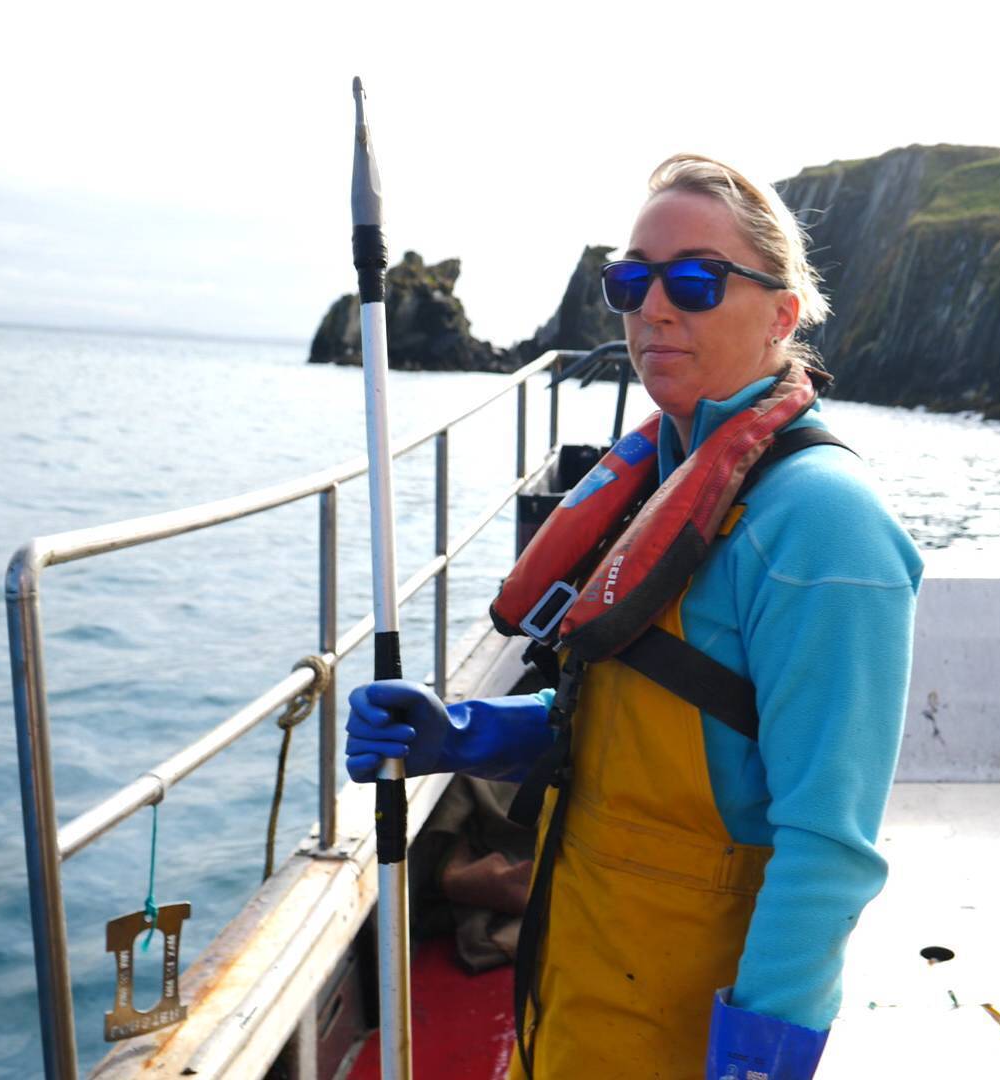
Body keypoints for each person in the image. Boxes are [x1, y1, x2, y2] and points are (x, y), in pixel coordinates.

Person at [344, 153, 923, 1079]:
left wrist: (762, 1056)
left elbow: (830, 846)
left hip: (683, 1026)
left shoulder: (825, 526)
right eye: (631, 279)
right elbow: (638, 723)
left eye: (696, 281)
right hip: (580, 992)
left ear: (783, 313)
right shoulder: (655, 485)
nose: (654, 307)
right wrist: (467, 734)